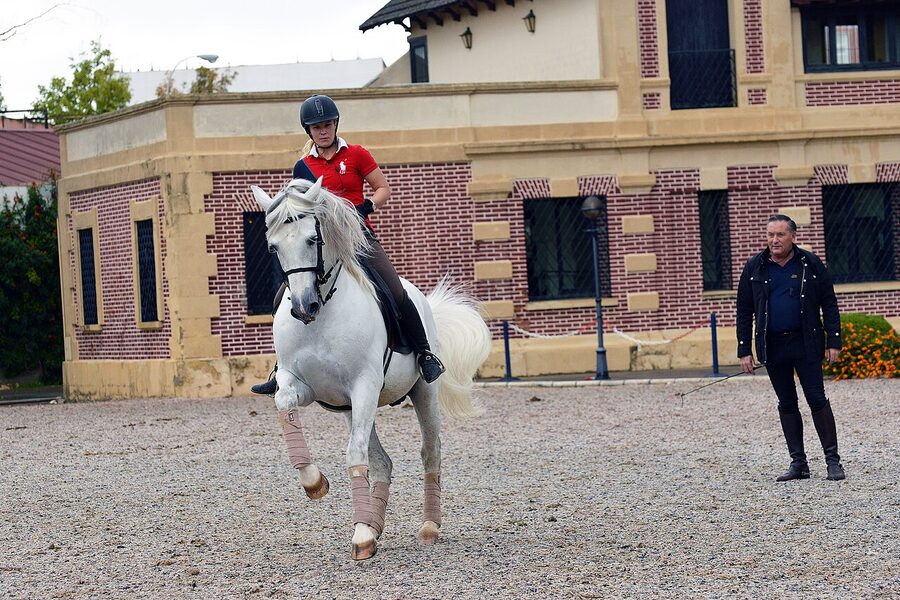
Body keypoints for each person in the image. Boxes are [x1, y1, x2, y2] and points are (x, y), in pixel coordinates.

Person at [252, 95, 445, 395]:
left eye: (327, 125)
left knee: (394, 288)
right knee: (283, 296)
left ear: (335, 124)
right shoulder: (302, 167)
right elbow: (301, 208)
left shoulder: (356, 154)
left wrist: (367, 206)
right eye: (317, 128)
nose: (323, 131)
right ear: (309, 131)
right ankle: (281, 368)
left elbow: (383, 188)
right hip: (322, 245)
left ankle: (425, 354)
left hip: (359, 238)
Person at [736, 214, 845, 481]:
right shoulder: (755, 267)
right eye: (770, 234)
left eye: (780, 234)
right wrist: (744, 349)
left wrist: (834, 339)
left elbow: (829, 302)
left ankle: (832, 461)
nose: (774, 240)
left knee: (817, 399)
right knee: (786, 402)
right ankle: (799, 463)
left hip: (805, 342)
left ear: (793, 236)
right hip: (773, 345)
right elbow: (744, 310)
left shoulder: (810, 263)